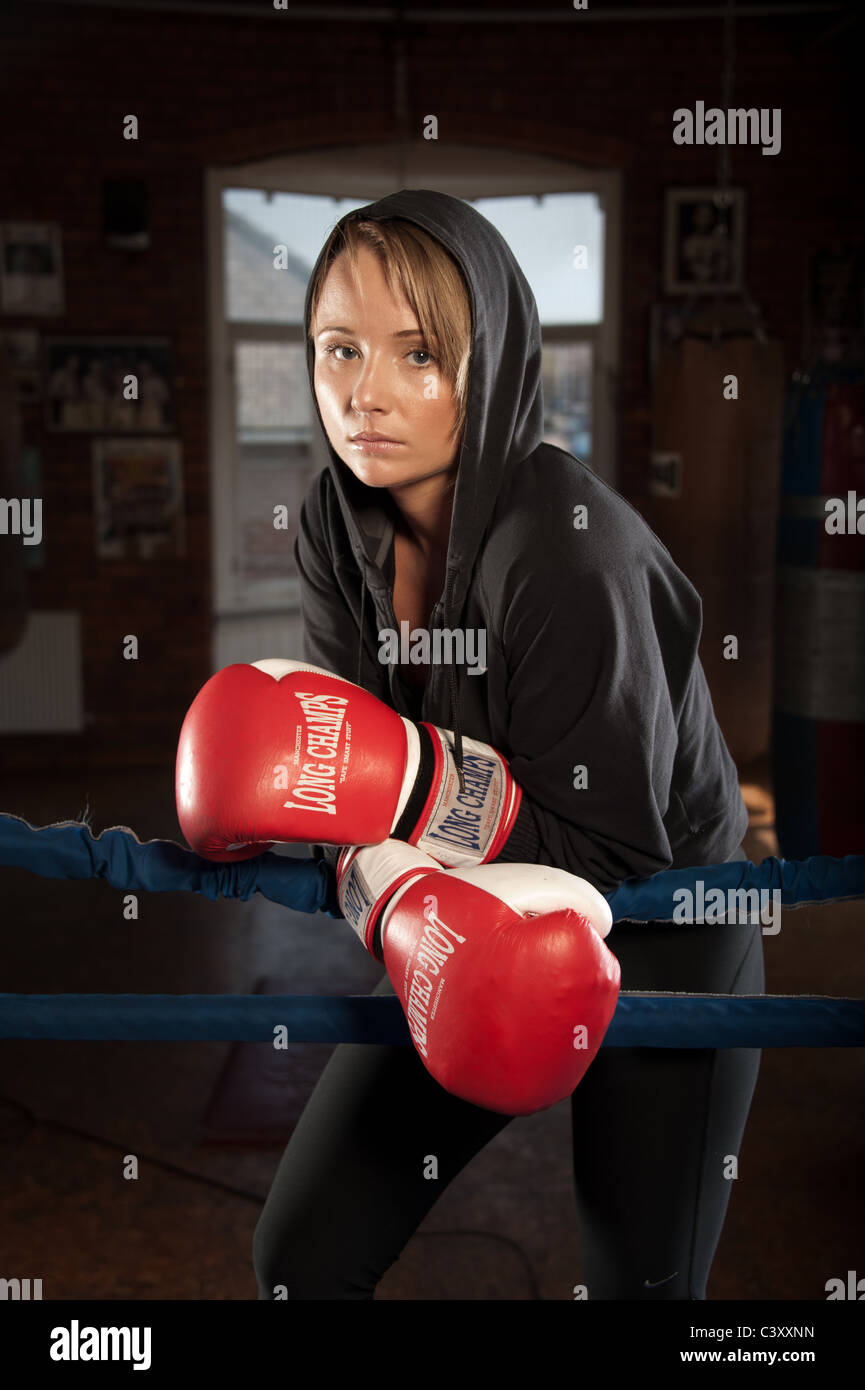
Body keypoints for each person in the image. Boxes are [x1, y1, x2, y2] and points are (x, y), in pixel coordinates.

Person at [252, 188, 764, 1301]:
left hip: (664, 920)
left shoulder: (570, 557)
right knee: (302, 1253)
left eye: (419, 355)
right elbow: (346, 770)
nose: (364, 393)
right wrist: (377, 878)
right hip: (462, 902)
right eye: (338, 349)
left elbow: (611, 845)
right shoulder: (335, 524)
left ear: (493, 363)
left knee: (643, 1292)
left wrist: (397, 829)